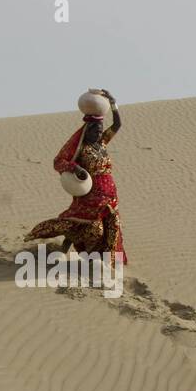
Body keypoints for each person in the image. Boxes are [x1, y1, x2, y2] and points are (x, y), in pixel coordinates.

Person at [26, 89, 127, 263]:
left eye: (100, 130)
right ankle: (68, 249)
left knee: (111, 225)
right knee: (87, 225)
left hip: (109, 194)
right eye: (95, 130)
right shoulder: (81, 149)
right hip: (90, 193)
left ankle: (106, 260)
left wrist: (113, 104)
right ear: (86, 131)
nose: (98, 133)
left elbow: (117, 125)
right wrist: (75, 168)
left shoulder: (102, 143)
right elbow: (59, 161)